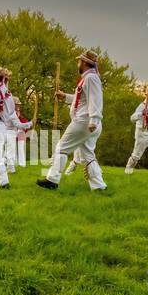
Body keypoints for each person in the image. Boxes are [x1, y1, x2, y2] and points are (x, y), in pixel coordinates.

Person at [38, 49, 107, 192]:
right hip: (87, 122)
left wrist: (94, 119)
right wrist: (65, 97)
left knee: (61, 148)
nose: (78, 63)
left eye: (79, 61)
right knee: (88, 155)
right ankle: (99, 186)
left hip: (85, 121)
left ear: (84, 63)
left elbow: (95, 100)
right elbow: (82, 100)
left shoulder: (91, 78)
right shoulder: (88, 78)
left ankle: (52, 180)